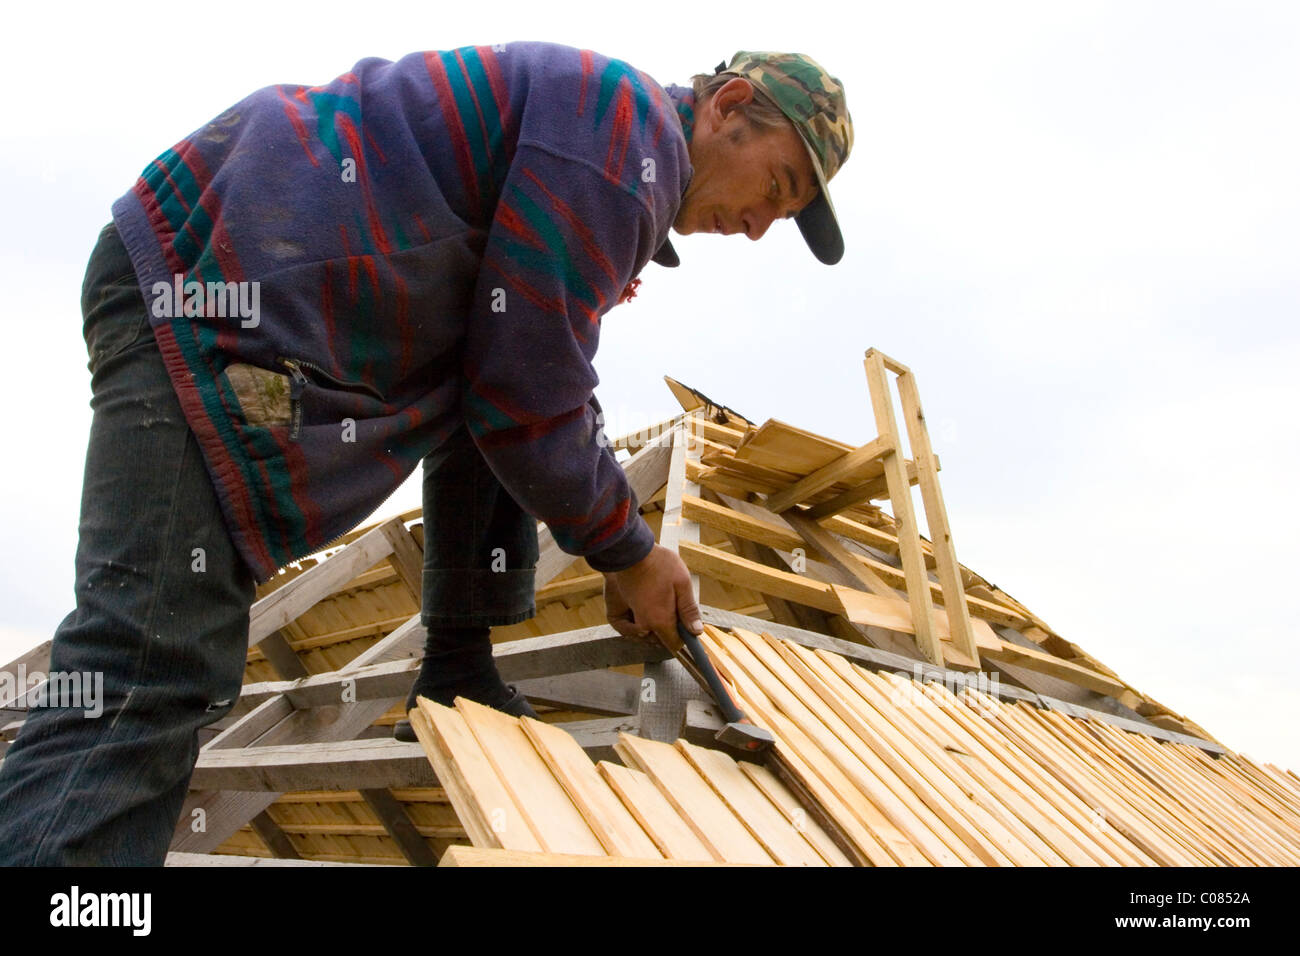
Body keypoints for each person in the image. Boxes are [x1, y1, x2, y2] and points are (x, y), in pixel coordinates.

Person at [0, 43, 852, 865]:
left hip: (233, 277)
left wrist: (603, 530)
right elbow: (526, 387)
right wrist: (627, 550)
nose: (755, 228)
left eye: (778, 218)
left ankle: (455, 665)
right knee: (149, 669)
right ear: (730, 106)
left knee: (511, 388)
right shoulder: (623, 142)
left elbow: (516, 371)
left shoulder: (613, 142)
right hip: (210, 286)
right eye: (774, 188)